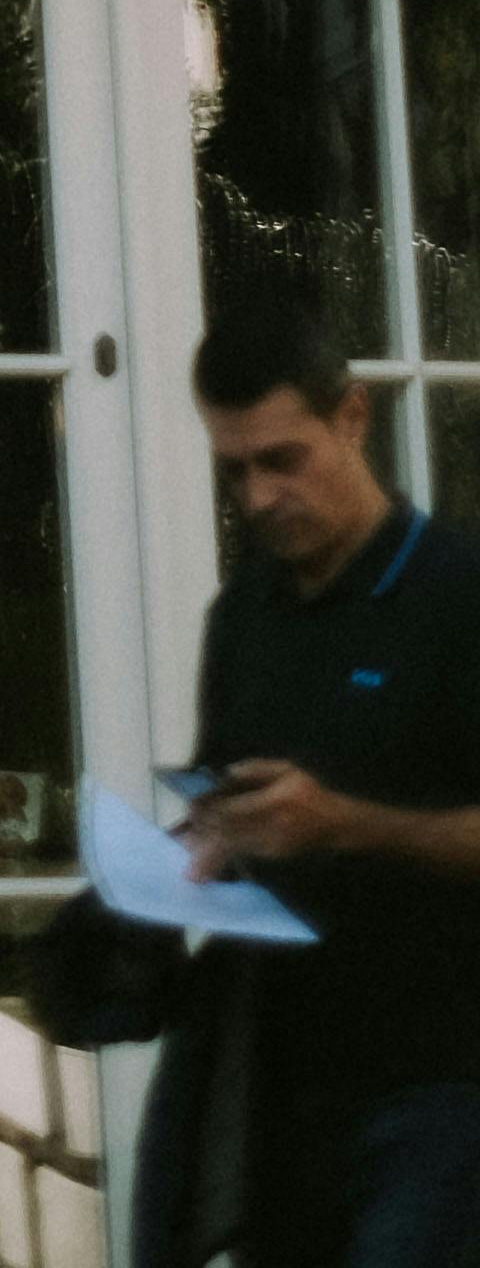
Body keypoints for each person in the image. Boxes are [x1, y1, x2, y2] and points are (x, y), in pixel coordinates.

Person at [177, 286, 480, 1267]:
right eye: (232, 470)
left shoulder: (455, 598)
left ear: (350, 417)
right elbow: (223, 803)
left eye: (280, 460)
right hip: (275, 1101)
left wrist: (344, 822)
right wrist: (192, 847)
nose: (257, 497)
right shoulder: (241, 618)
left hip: (442, 1093)